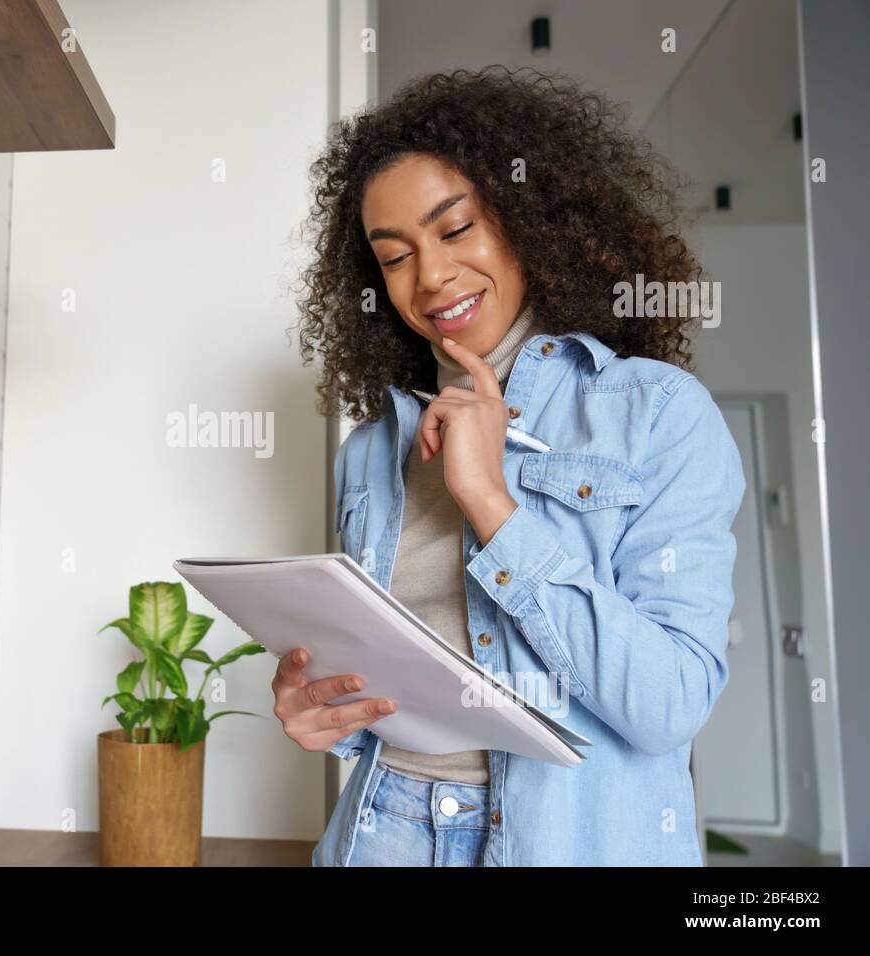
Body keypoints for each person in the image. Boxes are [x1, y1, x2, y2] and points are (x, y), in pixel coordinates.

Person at [274, 67, 745, 866]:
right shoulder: (371, 452)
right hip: (381, 834)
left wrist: (491, 501)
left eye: (455, 230)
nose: (430, 278)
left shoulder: (655, 413)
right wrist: (319, 708)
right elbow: (385, 680)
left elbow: (668, 706)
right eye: (394, 257)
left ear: (528, 218)